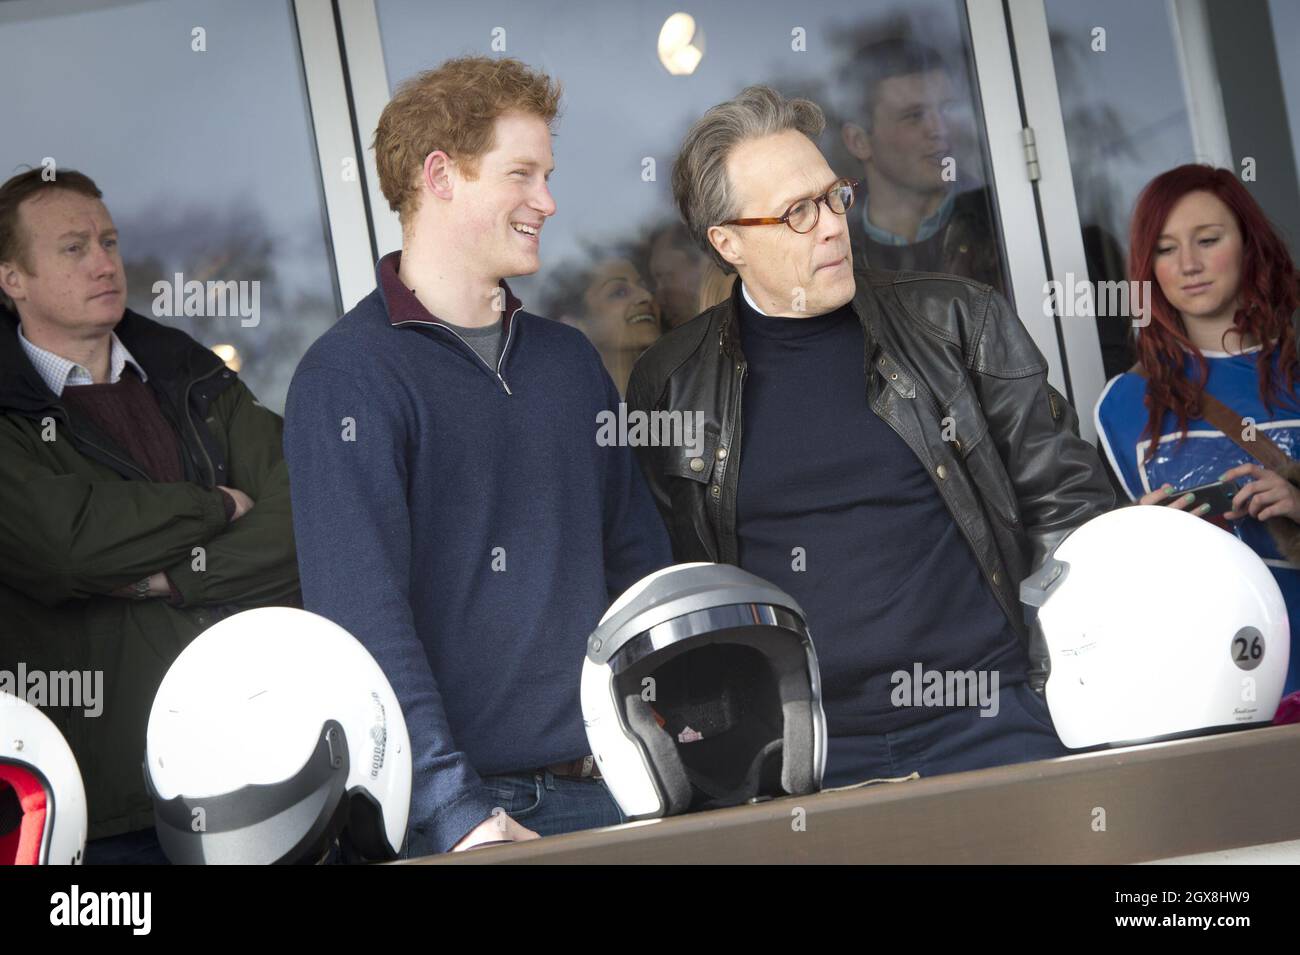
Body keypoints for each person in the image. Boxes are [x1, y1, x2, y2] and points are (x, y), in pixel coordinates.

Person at [627, 85, 1115, 788]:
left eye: (832, 198)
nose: (830, 226)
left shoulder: (957, 324)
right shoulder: (671, 384)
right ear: (727, 242)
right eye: (796, 212)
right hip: (803, 758)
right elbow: (674, 584)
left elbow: (1070, 510)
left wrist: (1061, 680)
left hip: (993, 722)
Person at [283, 56, 671, 857]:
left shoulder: (568, 361)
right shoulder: (348, 376)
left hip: (627, 784)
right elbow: (363, 619)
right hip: (478, 816)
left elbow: (636, 563)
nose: (548, 201)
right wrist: (453, 807)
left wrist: (666, 732)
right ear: (440, 176)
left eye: (548, 174)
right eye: (521, 174)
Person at [0, 168, 300, 863]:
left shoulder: (191, 376)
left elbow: (303, 515)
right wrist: (217, 504)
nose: (106, 262)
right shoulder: (10, 412)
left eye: (108, 240)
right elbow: (68, 547)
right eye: (74, 248)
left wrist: (174, 578)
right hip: (101, 807)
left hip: (252, 764)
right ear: (13, 278)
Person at [1096, 164, 1300, 696]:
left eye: (1208, 240)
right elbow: (1102, 581)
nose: (1188, 264)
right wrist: (1139, 539)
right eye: (1165, 250)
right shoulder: (1120, 406)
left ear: (1249, 245)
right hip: (1203, 685)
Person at [837, 36, 1005, 293]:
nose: (940, 129)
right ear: (859, 141)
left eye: (948, 110)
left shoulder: (1005, 219)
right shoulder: (834, 247)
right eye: (915, 116)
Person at [544, 256, 662, 395]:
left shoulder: (679, 394)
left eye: (643, 286)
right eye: (620, 292)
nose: (645, 296)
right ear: (577, 324)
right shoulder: (568, 409)